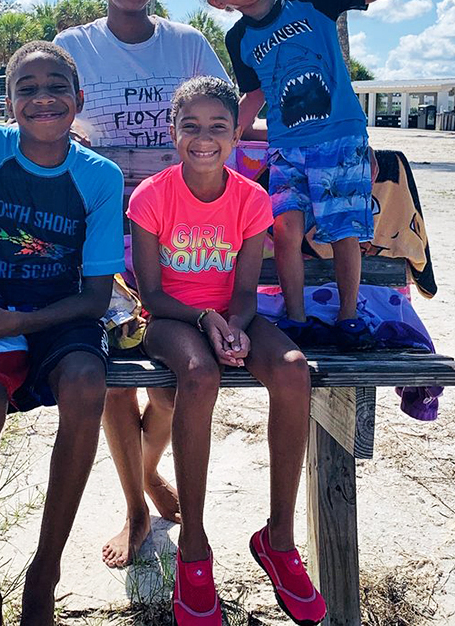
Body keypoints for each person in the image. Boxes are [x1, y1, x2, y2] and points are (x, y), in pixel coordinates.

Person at [185, 0, 455, 329]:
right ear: (217, 1)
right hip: (286, 149)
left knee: (344, 230)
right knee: (286, 229)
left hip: (340, 141)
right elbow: (254, 97)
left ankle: (348, 318)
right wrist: (216, 135)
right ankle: (296, 320)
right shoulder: (239, 39)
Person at [0, 41, 124, 626]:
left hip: (62, 317)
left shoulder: (98, 177)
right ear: (8, 102)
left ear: (78, 99)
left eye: (56, 85)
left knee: (88, 383)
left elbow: (93, 295)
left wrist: (21, 323)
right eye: (26, 88)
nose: (43, 97)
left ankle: (45, 573)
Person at [54, 0, 233, 568]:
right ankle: (134, 505)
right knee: (110, 374)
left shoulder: (188, 44)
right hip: (99, 233)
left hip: (178, 233)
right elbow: (46, 124)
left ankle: (149, 466)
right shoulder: (73, 44)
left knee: (169, 389)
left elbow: (227, 116)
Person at [130, 76, 323, 626]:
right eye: (191, 126)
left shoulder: (251, 198)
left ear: (236, 134)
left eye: (219, 126)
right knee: (197, 373)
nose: (204, 138)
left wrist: (234, 326)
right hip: (171, 319)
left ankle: (278, 538)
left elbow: (243, 293)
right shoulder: (153, 196)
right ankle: (193, 547)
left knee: (291, 371)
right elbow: (152, 294)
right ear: (173, 131)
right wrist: (206, 320)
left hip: (231, 315)